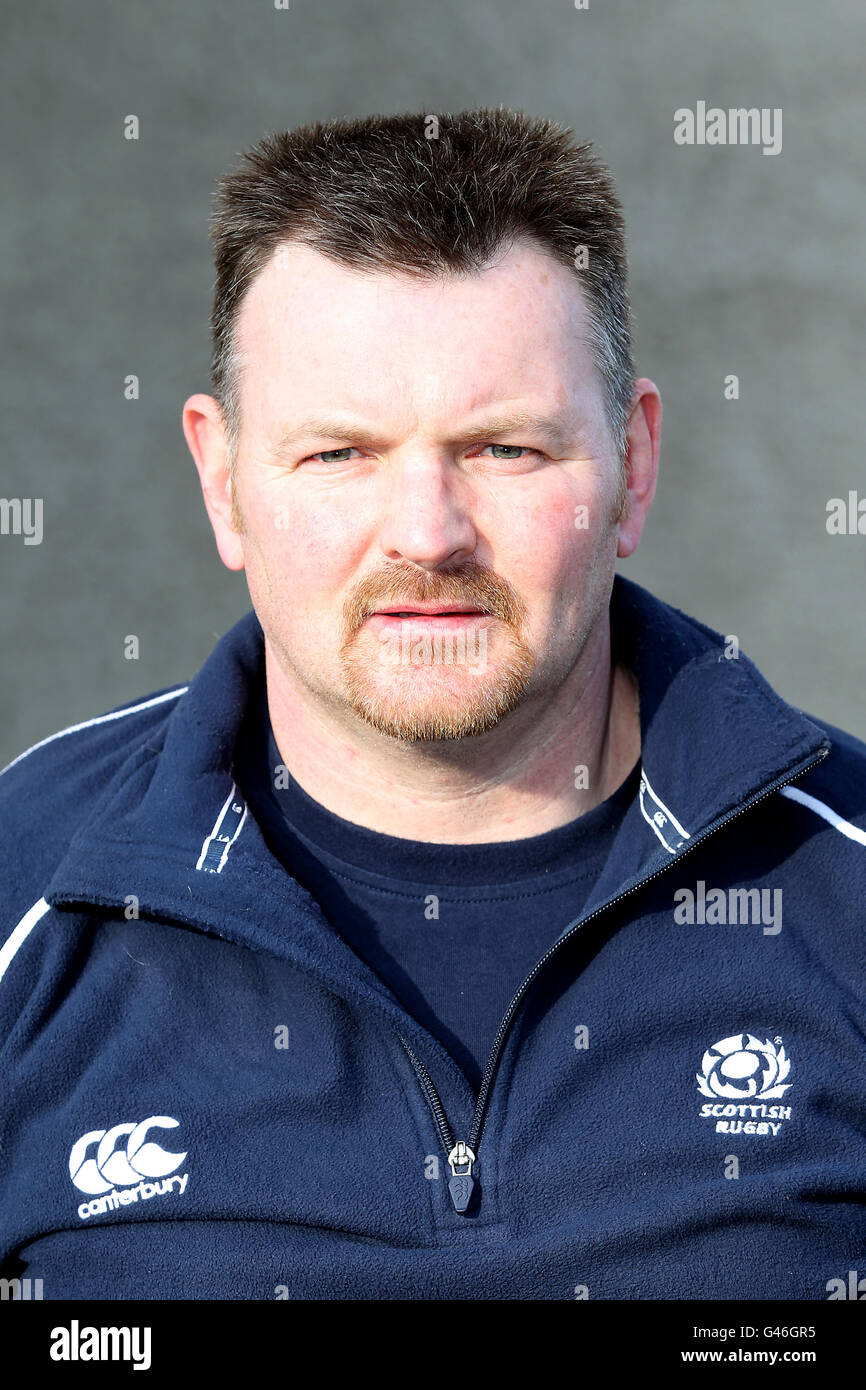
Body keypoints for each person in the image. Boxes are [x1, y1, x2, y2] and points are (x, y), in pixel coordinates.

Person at [1, 108, 864, 1300]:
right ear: (223, 481)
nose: (426, 534)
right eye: (337, 454)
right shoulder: (27, 886)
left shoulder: (846, 886)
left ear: (633, 464)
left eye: (504, 449)